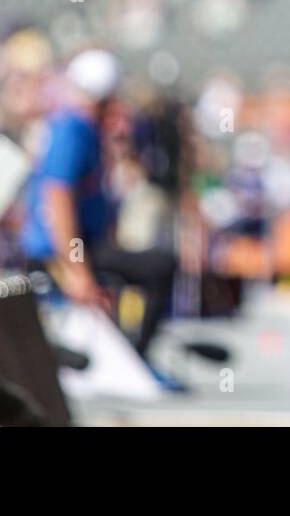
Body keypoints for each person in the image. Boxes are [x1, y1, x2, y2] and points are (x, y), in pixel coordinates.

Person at [21, 49, 179, 366]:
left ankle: (126, 350)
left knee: (149, 266)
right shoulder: (72, 130)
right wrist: (76, 271)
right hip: (62, 253)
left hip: (83, 247)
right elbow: (58, 200)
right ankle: (133, 356)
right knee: (160, 266)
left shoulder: (82, 128)